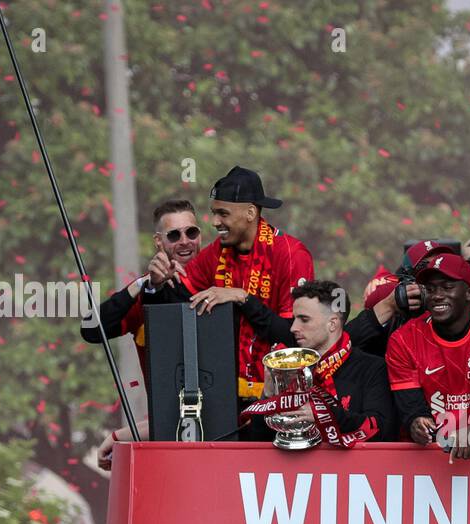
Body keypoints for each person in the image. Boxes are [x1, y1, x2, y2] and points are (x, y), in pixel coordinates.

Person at [142, 165, 314, 406]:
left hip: (280, 395)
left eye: (223, 214)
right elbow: (180, 303)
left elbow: (296, 336)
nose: (214, 222)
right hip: (225, 394)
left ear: (251, 213)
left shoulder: (291, 254)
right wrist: (157, 285)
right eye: (213, 213)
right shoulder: (216, 252)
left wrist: (243, 298)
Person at [386, 251, 470, 459]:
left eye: (447, 287)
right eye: (431, 289)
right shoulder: (403, 340)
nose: (437, 295)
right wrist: (417, 422)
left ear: (469, 293)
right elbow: (412, 411)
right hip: (425, 462)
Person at [248, 280, 396, 443]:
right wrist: (267, 396)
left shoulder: (372, 367)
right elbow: (257, 441)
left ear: (332, 324)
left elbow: (382, 431)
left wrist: (325, 415)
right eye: (294, 319)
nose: (293, 328)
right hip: (295, 467)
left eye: (304, 319)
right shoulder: (289, 367)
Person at [81, 198, 202, 368]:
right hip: (166, 393)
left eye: (191, 232)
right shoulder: (146, 289)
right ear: (158, 241)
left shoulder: (219, 277)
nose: (184, 241)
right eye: (174, 235)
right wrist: (140, 284)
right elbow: (90, 330)